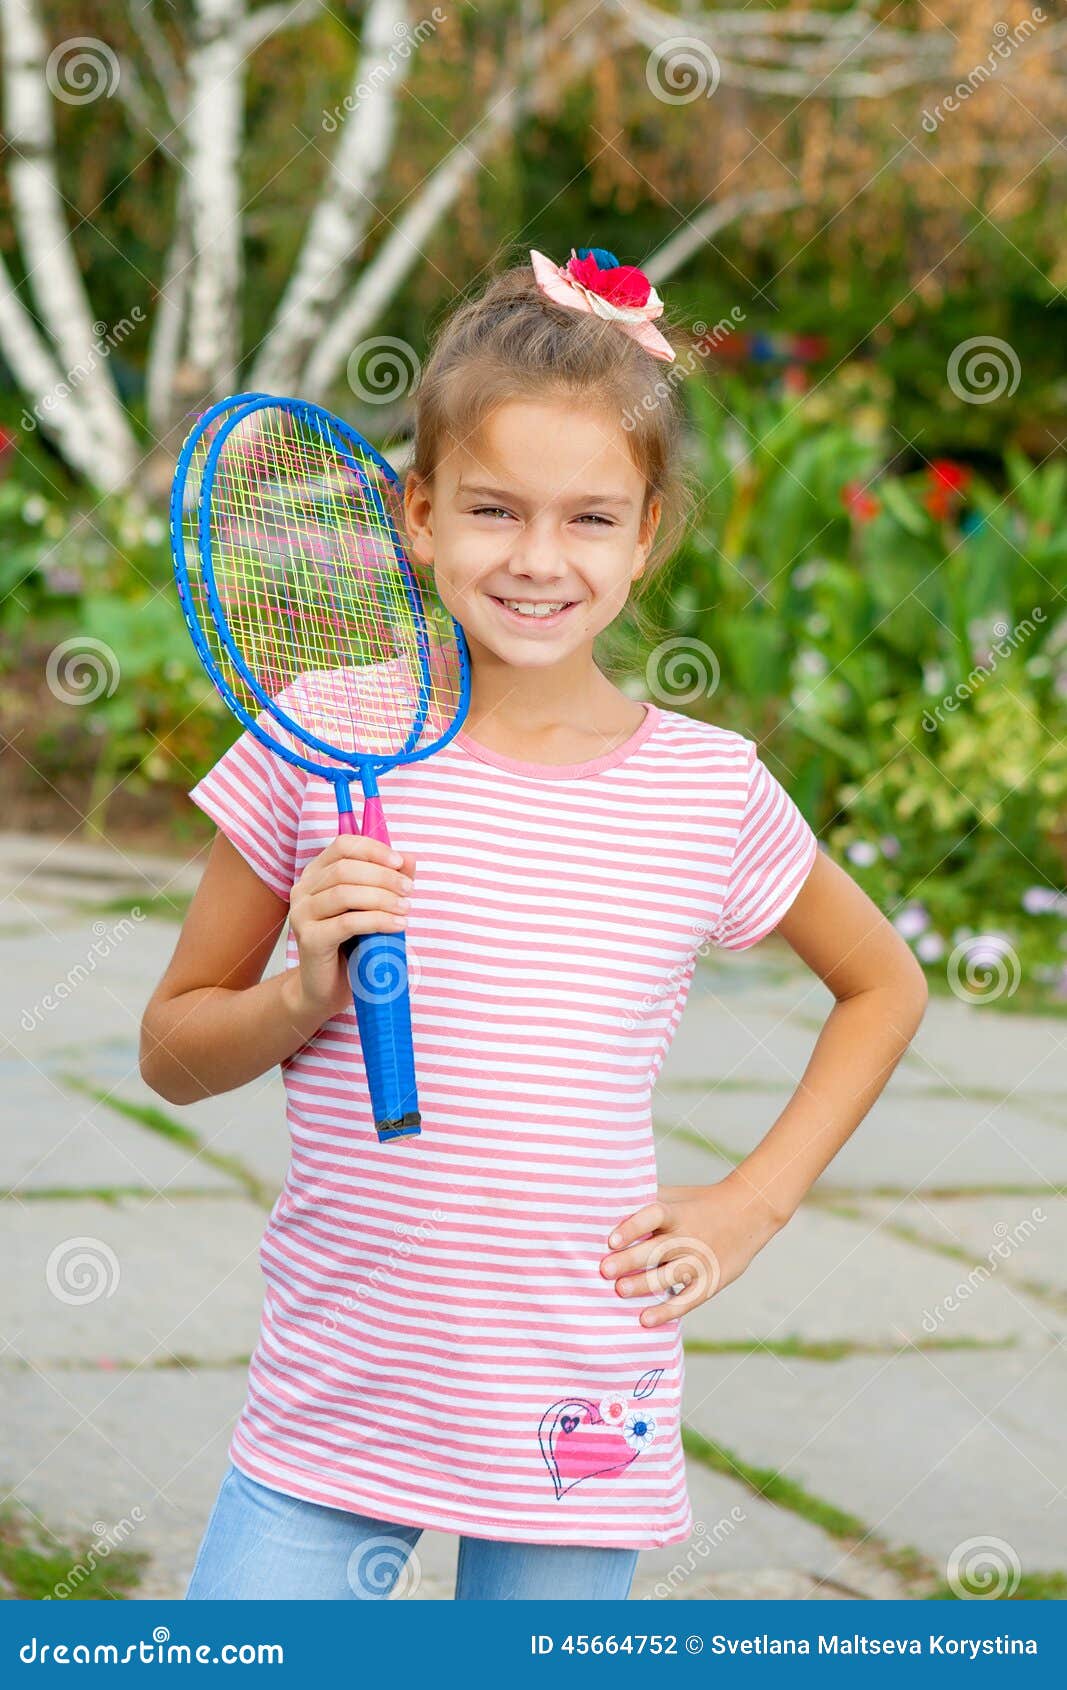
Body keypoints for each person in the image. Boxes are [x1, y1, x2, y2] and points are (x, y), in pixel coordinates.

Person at [141, 246, 928, 1601]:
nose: (539, 560)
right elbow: (170, 1048)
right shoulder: (323, 736)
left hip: (578, 1401)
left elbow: (885, 986)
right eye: (496, 510)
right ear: (421, 512)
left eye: (589, 519)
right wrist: (297, 997)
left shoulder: (706, 788)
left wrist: (750, 1203)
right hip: (342, 1398)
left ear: (650, 533)